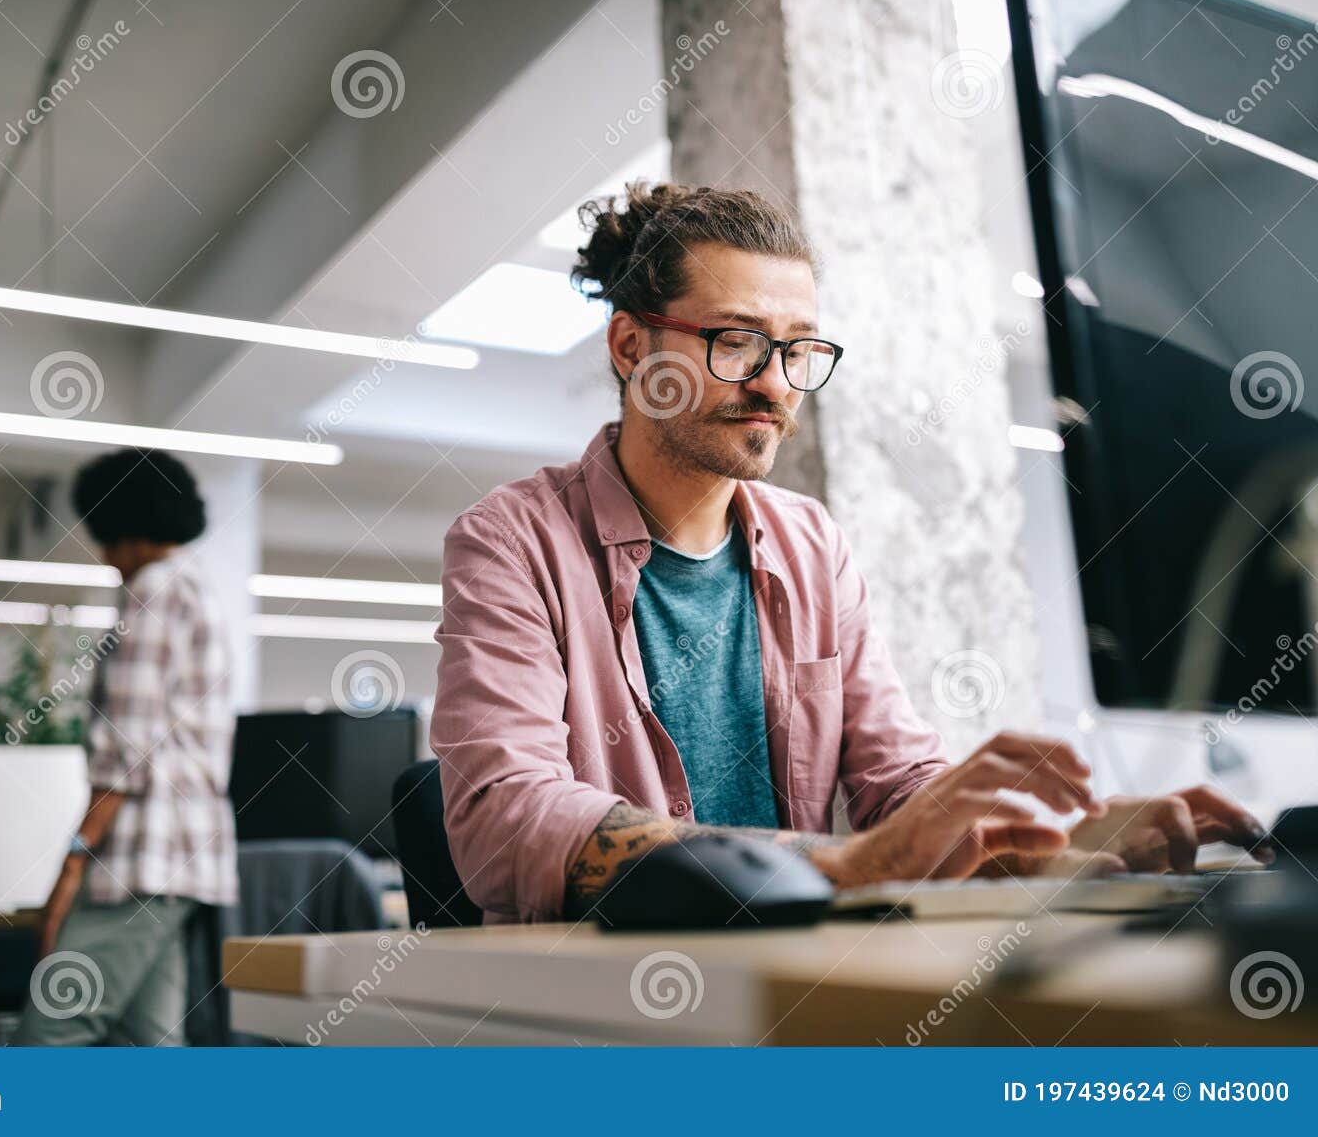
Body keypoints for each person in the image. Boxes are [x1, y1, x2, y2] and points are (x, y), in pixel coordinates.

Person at [430, 183, 1272, 924]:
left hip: (796, 979)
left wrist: (1067, 831)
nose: (774, 384)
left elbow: (899, 786)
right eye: (735, 341)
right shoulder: (513, 542)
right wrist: (839, 863)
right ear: (629, 348)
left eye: (797, 349)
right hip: (603, 1011)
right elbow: (507, 819)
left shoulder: (810, 544)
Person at [17, 448, 236, 1047]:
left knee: (51, 1033)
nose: (105, 556)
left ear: (130, 530)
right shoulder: (197, 589)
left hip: (143, 858)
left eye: (106, 538)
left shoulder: (154, 594)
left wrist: (71, 862)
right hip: (185, 859)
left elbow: (125, 751)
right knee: (149, 1044)